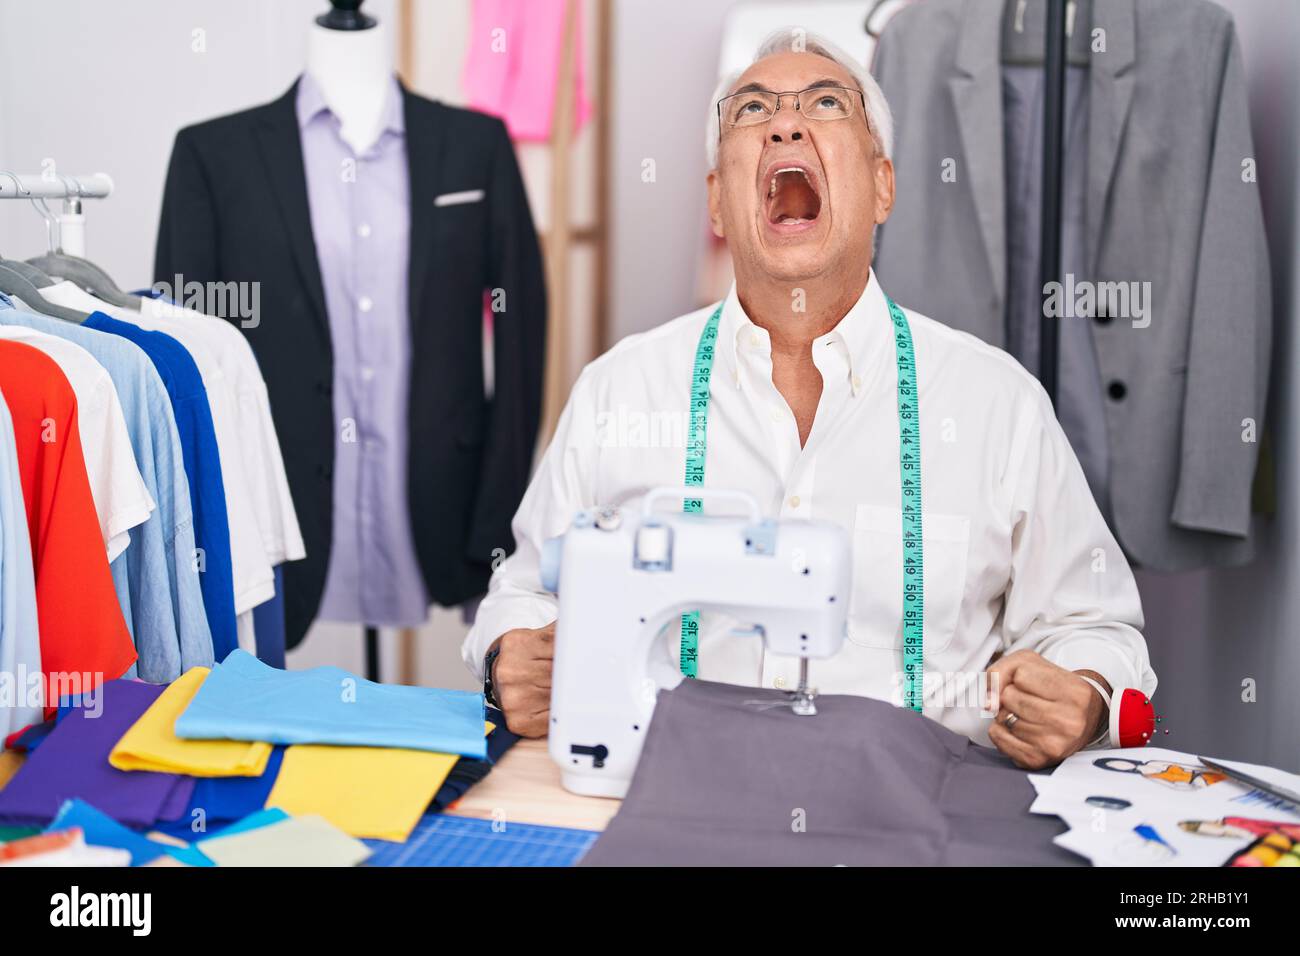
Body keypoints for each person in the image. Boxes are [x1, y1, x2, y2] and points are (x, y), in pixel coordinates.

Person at [463, 29, 1157, 770]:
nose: (785, 123)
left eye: (826, 103)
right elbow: (526, 589)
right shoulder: (618, 393)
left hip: (924, 820)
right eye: (751, 109)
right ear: (717, 204)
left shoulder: (998, 406)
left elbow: (1099, 628)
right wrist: (509, 657)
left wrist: (1086, 695)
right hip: (670, 803)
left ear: (883, 186)